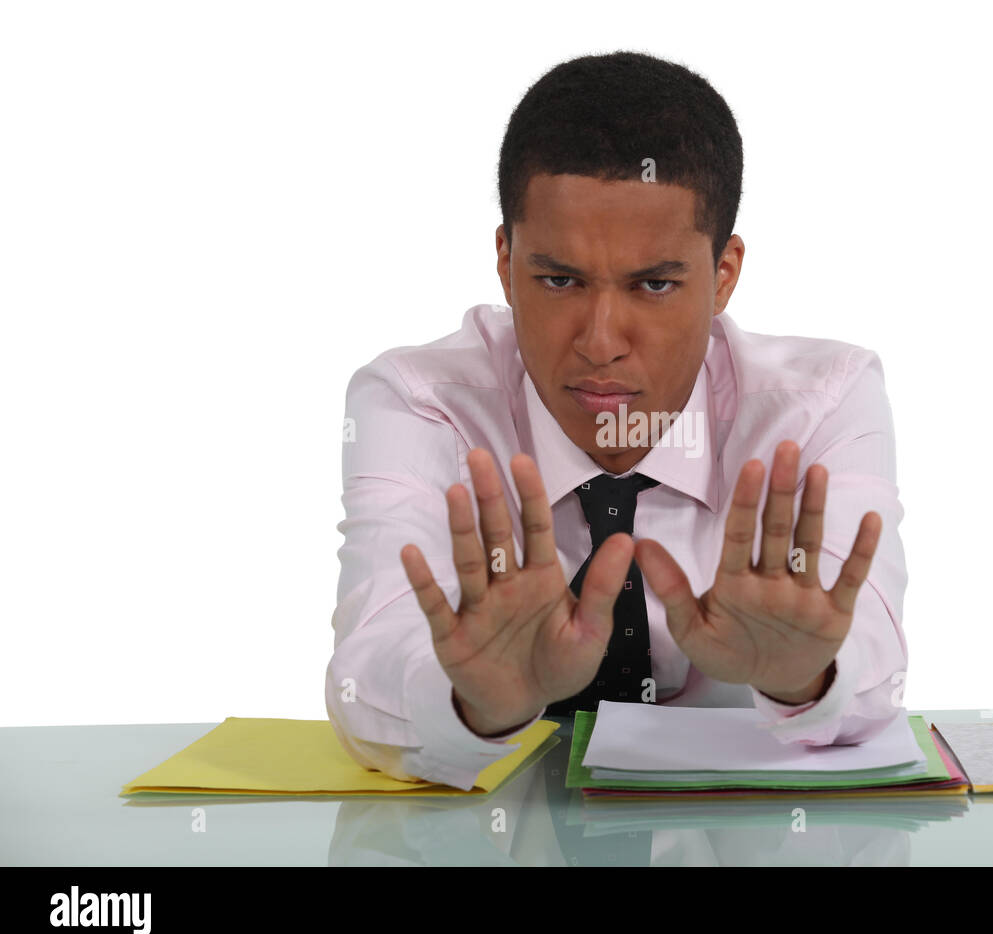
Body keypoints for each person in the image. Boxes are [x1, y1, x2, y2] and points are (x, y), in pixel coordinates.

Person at [325, 50, 909, 792]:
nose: (601, 341)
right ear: (504, 262)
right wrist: (475, 700)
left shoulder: (822, 401)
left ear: (723, 274)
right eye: (558, 279)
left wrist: (805, 676)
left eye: (656, 284)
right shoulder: (418, 401)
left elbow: (874, 669)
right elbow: (367, 666)